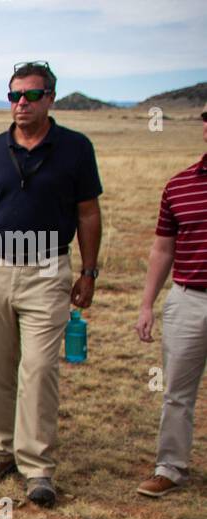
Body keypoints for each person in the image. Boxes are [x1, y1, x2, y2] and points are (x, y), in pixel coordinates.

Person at [0, 62, 103, 507]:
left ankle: (36, 467)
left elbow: (88, 212)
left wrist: (89, 271)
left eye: (31, 95)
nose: (21, 103)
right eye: (14, 95)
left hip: (46, 269)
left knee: (38, 370)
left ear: (51, 98)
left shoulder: (75, 148)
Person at [132, 102, 207, 498]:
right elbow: (163, 249)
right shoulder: (180, 185)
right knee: (177, 390)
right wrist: (147, 304)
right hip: (188, 298)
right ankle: (170, 467)